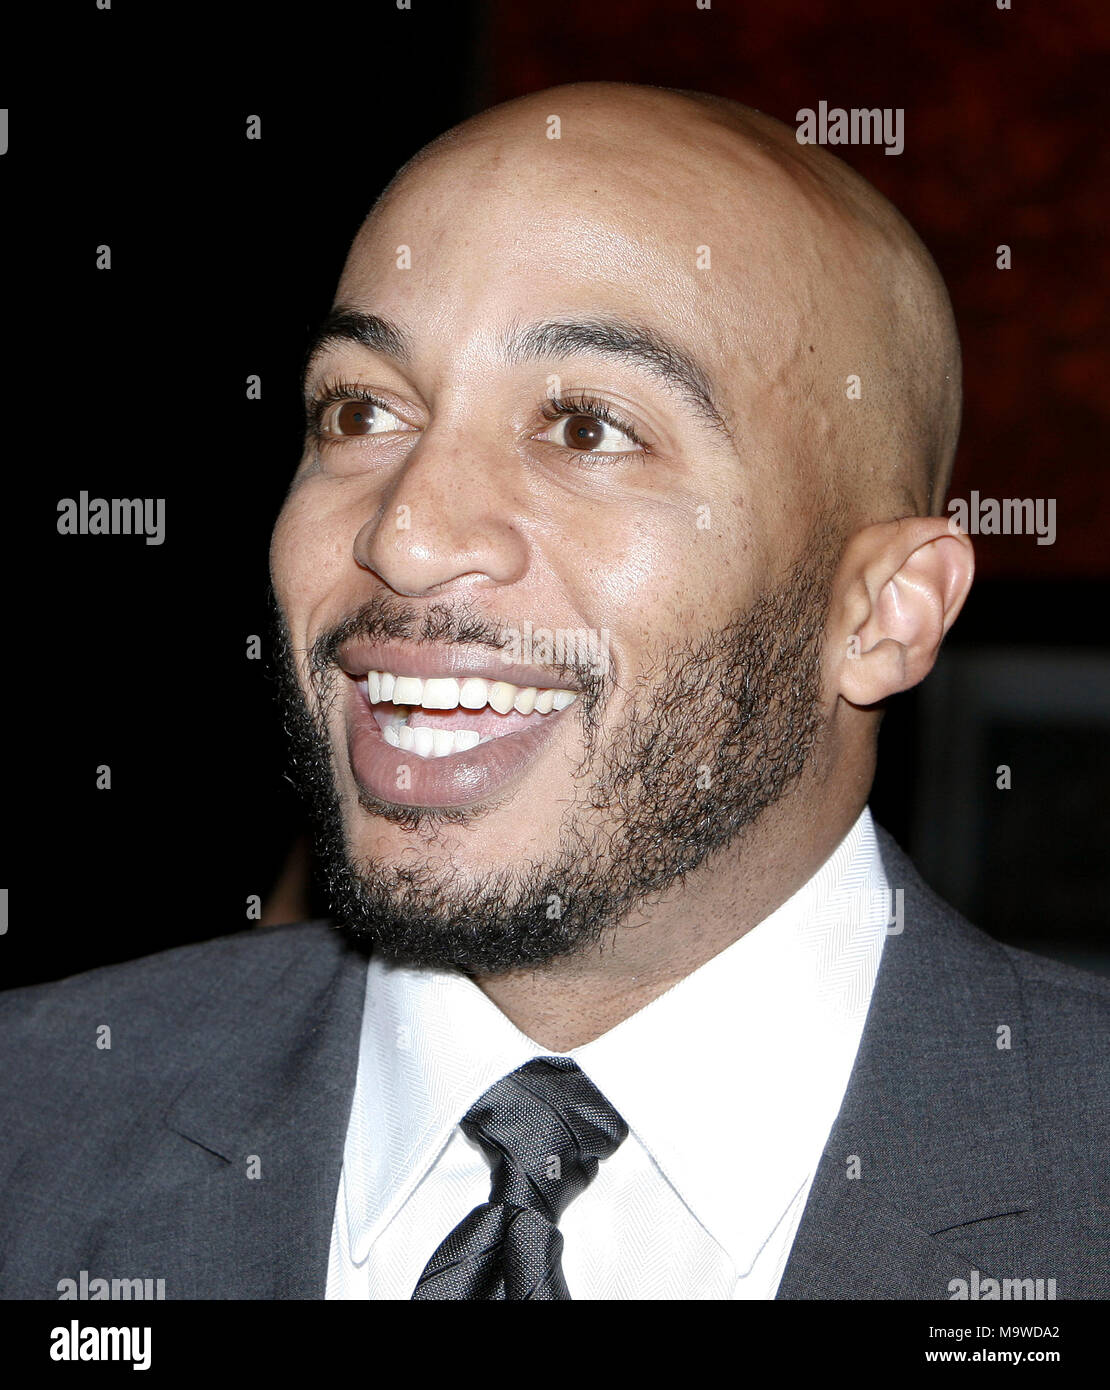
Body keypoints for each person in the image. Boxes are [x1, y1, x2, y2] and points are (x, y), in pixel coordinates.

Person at [2, 83, 1105, 1301]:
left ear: (883, 612)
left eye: (586, 427)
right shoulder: (31, 1124)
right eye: (362, 409)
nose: (406, 534)